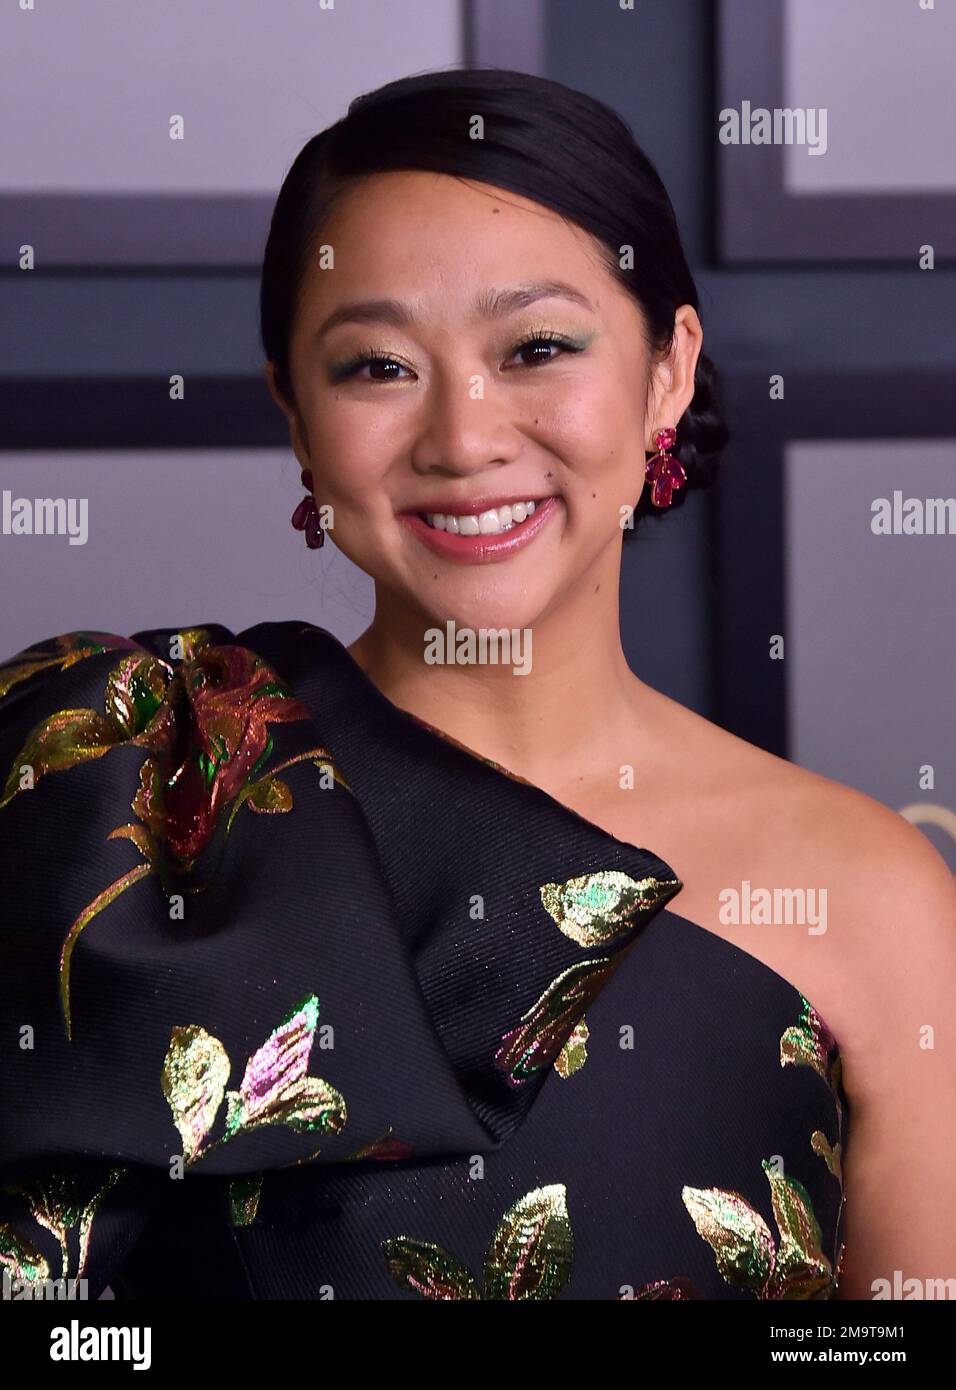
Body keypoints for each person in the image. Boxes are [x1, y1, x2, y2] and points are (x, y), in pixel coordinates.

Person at [1, 68, 953, 1303]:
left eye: (538, 347)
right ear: (294, 410)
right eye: (376, 367)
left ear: (668, 369)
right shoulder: (129, 785)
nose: (462, 436)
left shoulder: (869, 897)